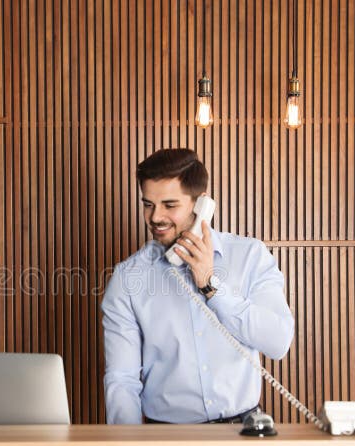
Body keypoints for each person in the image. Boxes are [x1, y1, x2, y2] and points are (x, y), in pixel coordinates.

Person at [101, 148, 294, 424]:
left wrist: (211, 287)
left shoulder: (250, 256)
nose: (155, 217)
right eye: (148, 204)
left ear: (201, 204)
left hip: (242, 432)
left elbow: (278, 342)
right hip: (166, 439)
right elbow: (122, 380)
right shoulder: (126, 279)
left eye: (169, 205)